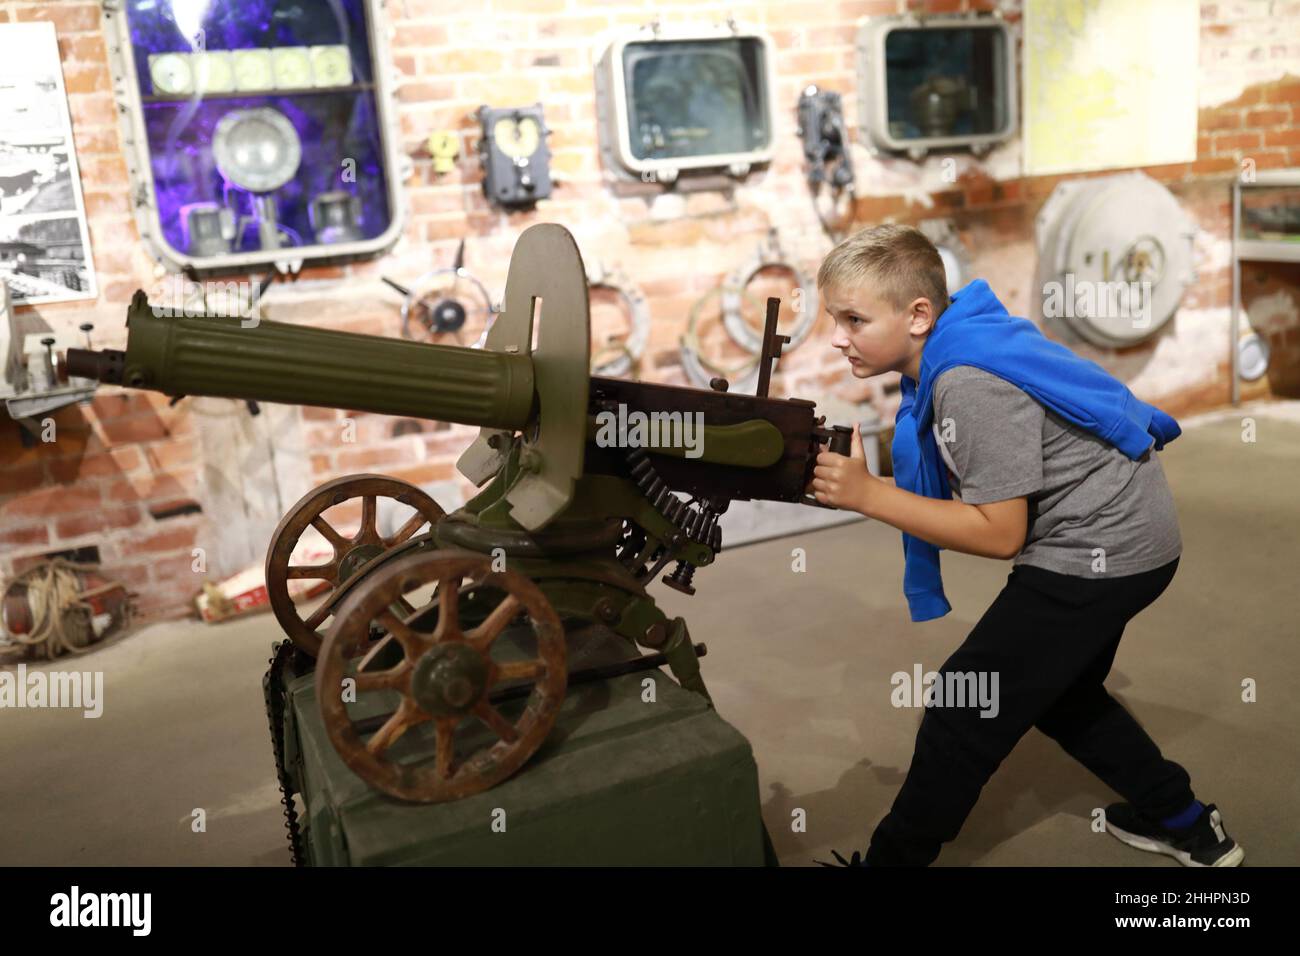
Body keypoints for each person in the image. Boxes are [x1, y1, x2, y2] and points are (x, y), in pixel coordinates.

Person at [806, 224, 1243, 867]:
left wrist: (869, 496)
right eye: (832, 318)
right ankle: (1185, 823)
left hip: (1102, 550)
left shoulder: (966, 381)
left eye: (853, 319)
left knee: (963, 704)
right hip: (1134, 533)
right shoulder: (967, 332)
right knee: (1061, 692)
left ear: (919, 315)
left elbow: (999, 532)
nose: (838, 337)